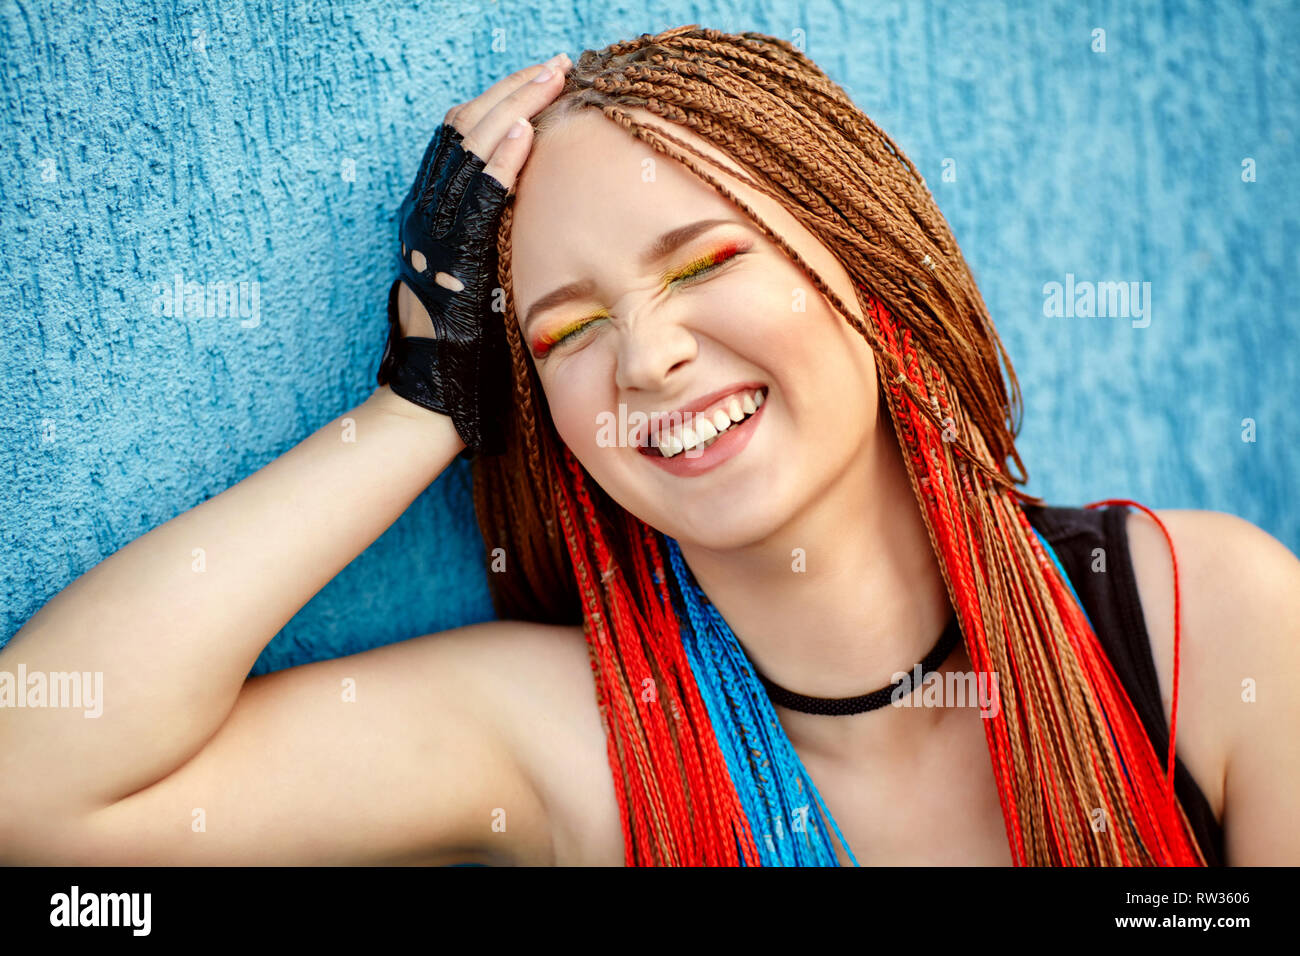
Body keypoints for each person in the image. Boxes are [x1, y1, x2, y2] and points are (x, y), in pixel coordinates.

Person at [1, 26, 1296, 867]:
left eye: (709, 262)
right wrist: (411, 411)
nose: (651, 356)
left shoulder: (1206, 622)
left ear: (862, 256)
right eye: (567, 335)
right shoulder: (569, 739)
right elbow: (39, 790)